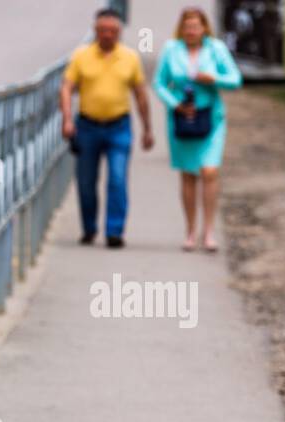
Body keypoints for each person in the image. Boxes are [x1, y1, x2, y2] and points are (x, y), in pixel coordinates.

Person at [60, 7, 155, 248]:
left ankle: (114, 231)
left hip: (118, 127)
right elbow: (67, 88)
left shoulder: (130, 57)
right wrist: (67, 119)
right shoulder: (81, 56)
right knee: (86, 182)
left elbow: (141, 94)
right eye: (103, 30)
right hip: (87, 126)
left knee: (117, 179)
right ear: (95, 30)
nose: (107, 35)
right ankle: (89, 228)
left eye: (112, 30)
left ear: (119, 32)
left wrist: (147, 129)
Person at [153, 7, 243, 252]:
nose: (191, 31)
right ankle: (190, 231)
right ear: (181, 29)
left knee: (209, 171)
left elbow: (235, 80)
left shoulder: (216, 49)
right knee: (188, 174)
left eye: (195, 26)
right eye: (187, 27)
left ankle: (209, 231)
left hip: (211, 118)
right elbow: (159, 83)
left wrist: (213, 79)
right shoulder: (171, 49)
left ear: (204, 28)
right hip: (183, 118)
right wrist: (175, 104)